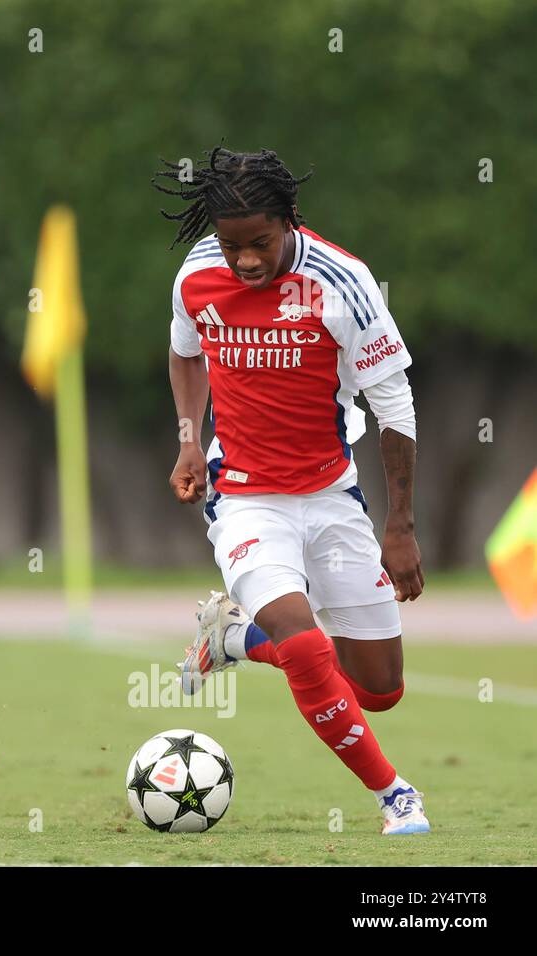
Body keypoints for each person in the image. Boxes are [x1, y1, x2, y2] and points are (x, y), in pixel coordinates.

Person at [154, 147, 428, 835]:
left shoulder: (344, 281)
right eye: (231, 244)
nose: (244, 260)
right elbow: (186, 350)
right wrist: (190, 440)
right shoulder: (196, 274)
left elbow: (394, 408)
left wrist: (400, 526)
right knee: (306, 647)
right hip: (245, 497)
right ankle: (395, 796)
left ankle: (235, 641)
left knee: (380, 689)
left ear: (289, 221)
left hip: (333, 497)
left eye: (260, 243)